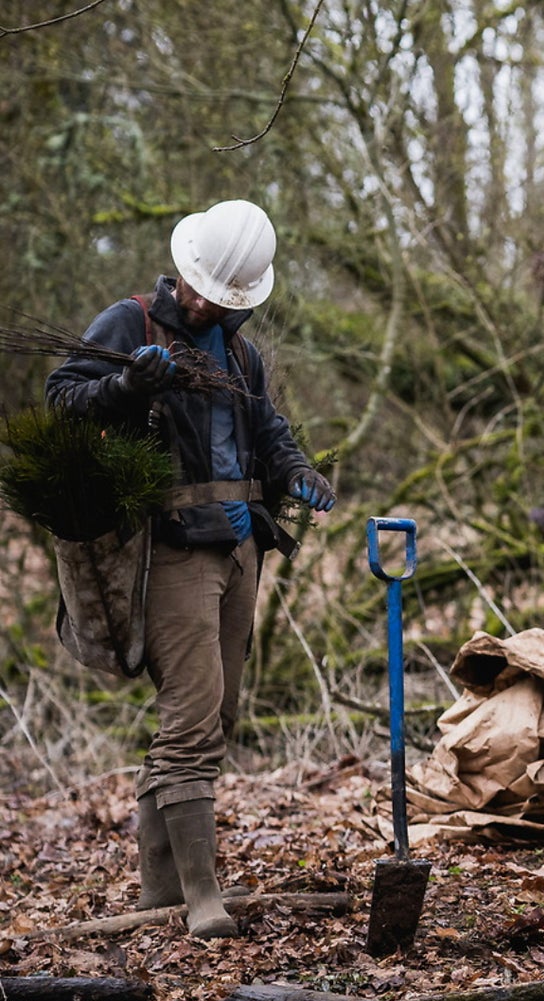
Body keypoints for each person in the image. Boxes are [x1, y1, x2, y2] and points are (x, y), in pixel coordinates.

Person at [46, 199, 336, 939]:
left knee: (218, 718)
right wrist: (128, 388)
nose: (206, 301)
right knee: (189, 721)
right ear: (183, 268)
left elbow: (267, 427)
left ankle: (159, 893)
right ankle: (202, 899)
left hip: (241, 548)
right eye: (202, 286)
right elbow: (62, 403)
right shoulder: (129, 324)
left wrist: (297, 469)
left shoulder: (241, 353)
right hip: (170, 547)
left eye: (223, 295)